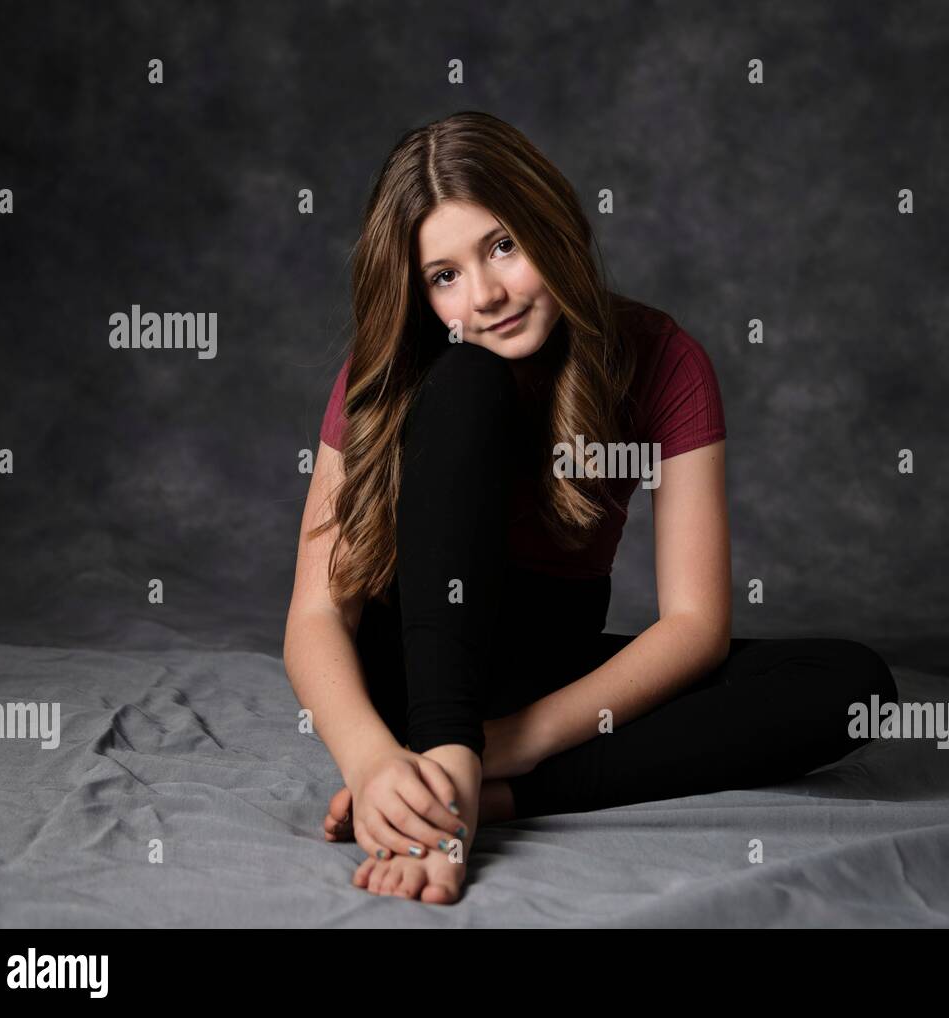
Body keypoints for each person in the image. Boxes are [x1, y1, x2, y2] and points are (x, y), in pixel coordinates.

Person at [282, 110, 899, 905]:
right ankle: (442, 768)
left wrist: (492, 751)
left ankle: (480, 791)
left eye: (503, 244)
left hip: (544, 680)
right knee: (468, 380)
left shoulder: (662, 357)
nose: (488, 295)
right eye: (445, 276)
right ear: (419, 291)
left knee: (853, 686)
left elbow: (694, 626)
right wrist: (371, 759)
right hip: (413, 669)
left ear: (550, 220)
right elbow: (313, 617)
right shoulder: (393, 364)